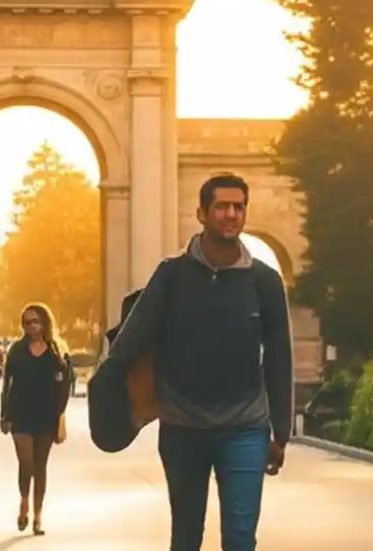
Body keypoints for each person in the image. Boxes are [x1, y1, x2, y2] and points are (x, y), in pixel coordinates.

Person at [105, 173, 294, 551]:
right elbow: (129, 342)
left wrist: (281, 432)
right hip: (183, 428)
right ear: (201, 213)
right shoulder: (172, 276)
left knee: (241, 539)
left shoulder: (264, 281)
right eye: (222, 206)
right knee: (186, 538)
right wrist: (116, 406)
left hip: (245, 428)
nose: (231, 214)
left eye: (239, 206)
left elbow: (279, 356)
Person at [0, 303, 71, 536]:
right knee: (26, 462)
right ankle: (24, 501)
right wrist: (4, 414)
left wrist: (59, 413)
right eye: (27, 322)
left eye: (35, 321)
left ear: (45, 323)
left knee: (41, 466)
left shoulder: (57, 351)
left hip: (46, 416)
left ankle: (38, 515)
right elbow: (6, 384)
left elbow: (65, 385)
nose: (31, 326)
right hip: (20, 415)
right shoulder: (17, 351)